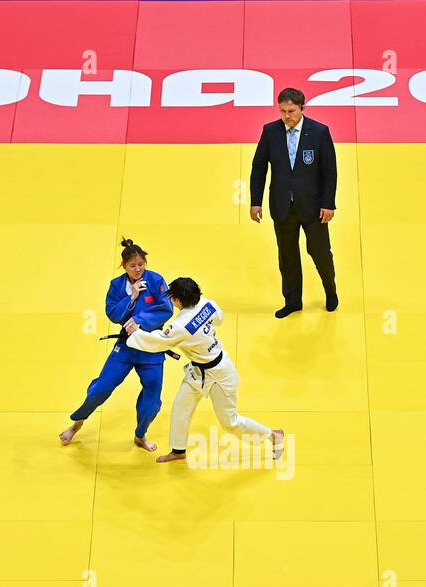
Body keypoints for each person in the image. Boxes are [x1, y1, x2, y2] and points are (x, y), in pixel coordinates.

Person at [125, 277, 284, 465]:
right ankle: (178, 450)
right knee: (180, 409)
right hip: (197, 371)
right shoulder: (206, 303)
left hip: (220, 374)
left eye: (172, 297)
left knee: (229, 422)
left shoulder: (181, 325)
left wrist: (136, 332)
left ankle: (273, 435)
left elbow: (159, 341)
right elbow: (219, 318)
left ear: (178, 300)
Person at [60, 238, 176, 451]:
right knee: (101, 388)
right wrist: (131, 298)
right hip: (125, 347)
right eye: (132, 266)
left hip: (150, 349)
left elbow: (167, 308)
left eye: (141, 264)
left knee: (152, 399)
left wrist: (139, 321)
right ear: (124, 266)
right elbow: (112, 313)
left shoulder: (156, 280)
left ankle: (140, 436)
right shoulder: (116, 285)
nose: (137, 269)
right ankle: (77, 423)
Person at [249, 86, 338, 319]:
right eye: (282, 111)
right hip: (281, 206)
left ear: (302, 108)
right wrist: (255, 201)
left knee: (319, 252)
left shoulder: (319, 132)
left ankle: (331, 291)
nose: (287, 116)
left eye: (291, 111)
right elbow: (259, 167)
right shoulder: (270, 132)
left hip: (313, 207)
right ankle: (292, 301)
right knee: (287, 256)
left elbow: (330, 171)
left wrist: (329, 204)